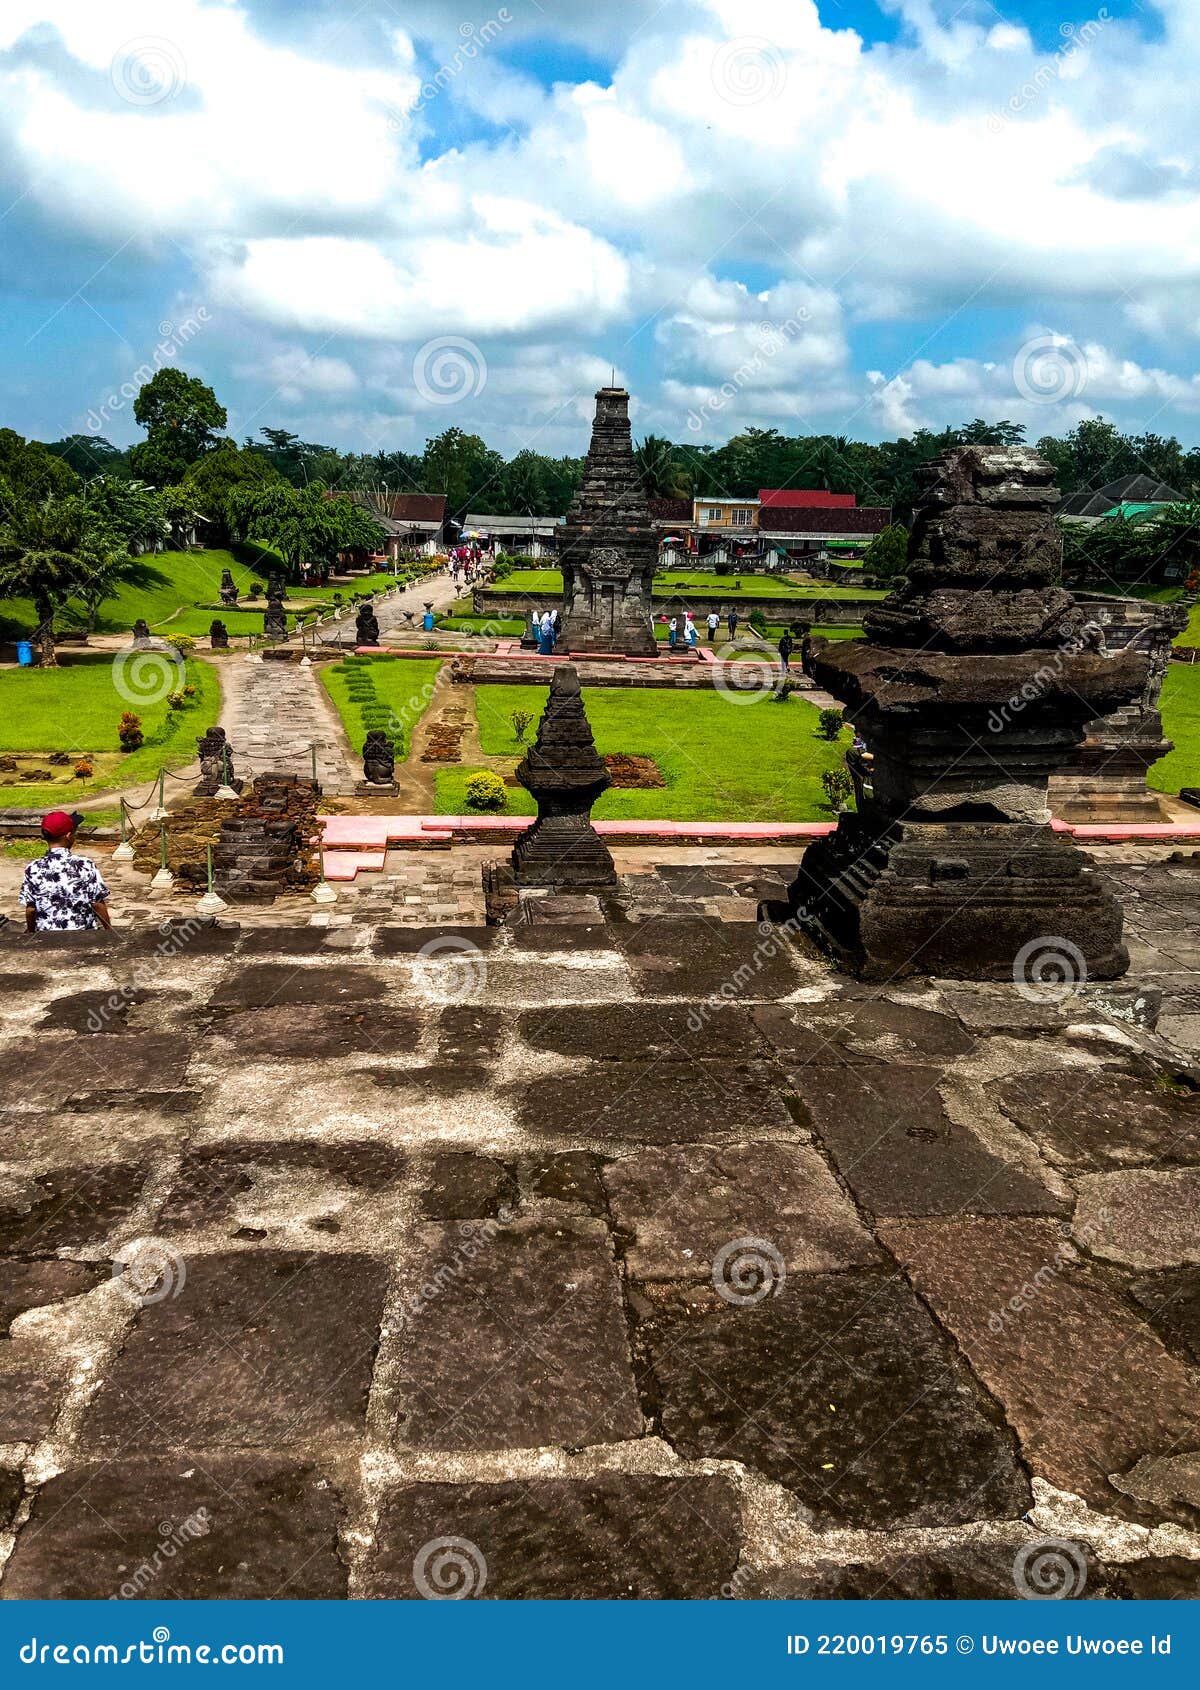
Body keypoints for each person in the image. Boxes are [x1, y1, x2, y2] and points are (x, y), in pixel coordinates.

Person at [20, 810, 112, 934]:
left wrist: (30, 931)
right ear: (68, 836)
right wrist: (109, 931)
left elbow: (31, 909)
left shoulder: (33, 868)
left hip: (46, 935)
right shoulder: (84, 865)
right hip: (82, 933)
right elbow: (96, 903)